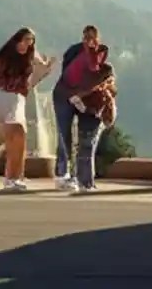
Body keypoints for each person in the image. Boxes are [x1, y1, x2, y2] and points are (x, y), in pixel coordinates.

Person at [0, 27, 55, 192]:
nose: (27, 44)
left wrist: (46, 65)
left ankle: (14, 178)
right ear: (17, 40)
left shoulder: (30, 55)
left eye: (30, 41)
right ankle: (12, 178)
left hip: (17, 99)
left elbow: (40, 63)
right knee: (15, 137)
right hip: (3, 97)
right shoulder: (7, 54)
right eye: (25, 40)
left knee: (18, 139)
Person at [51, 25, 111, 193]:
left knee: (85, 137)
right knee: (64, 134)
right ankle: (62, 174)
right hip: (64, 96)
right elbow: (68, 75)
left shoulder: (102, 56)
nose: (90, 40)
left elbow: (102, 78)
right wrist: (74, 94)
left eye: (93, 37)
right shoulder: (75, 52)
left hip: (84, 99)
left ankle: (82, 179)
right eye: (86, 37)